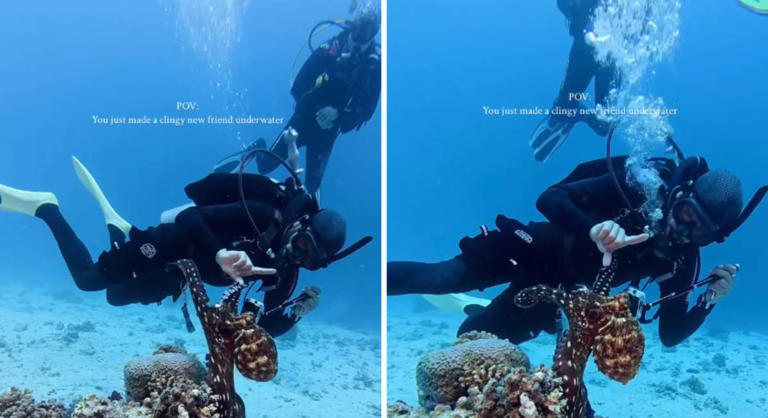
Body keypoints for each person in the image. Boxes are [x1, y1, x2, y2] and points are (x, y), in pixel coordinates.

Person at [389, 154, 766, 346]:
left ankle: (481, 310)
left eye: (699, 230)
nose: (683, 228)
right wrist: (593, 229)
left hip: (556, 296)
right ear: (681, 194)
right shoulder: (638, 187)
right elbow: (549, 198)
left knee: (472, 336)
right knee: (438, 278)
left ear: (712, 236)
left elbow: (670, 333)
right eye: (686, 214)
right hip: (529, 248)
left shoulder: (681, 258)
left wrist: (709, 299)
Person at [0, 155, 371, 337]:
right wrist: (220, 255)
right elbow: (190, 219)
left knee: (114, 297)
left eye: (311, 258)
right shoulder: (261, 214)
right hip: (171, 244)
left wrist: (298, 311)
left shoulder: (286, 270)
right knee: (88, 280)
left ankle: (118, 228)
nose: (299, 256)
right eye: (303, 245)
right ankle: (47, 208)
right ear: (300, 226)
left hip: (180, 276)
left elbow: (266, 326)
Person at [216, 6, 381, 194]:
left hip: (327, 132)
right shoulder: (327, 51)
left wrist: (338, 114)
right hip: (302, 121)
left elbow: (367, 110)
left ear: (372, 38)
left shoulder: (374, 68)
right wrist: (318, 106)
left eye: (364, 41)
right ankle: (258, 147)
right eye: (355, 38)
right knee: (265, 166)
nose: (357, 46)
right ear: (350, 31)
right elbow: (298, 87)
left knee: (313, 186)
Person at [529, 0, 619, 162]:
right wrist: (580, 17)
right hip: (585, 46)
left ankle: (578, 113)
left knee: (603, 125)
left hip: (615, 55)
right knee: (562, 111)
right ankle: (566, 114)